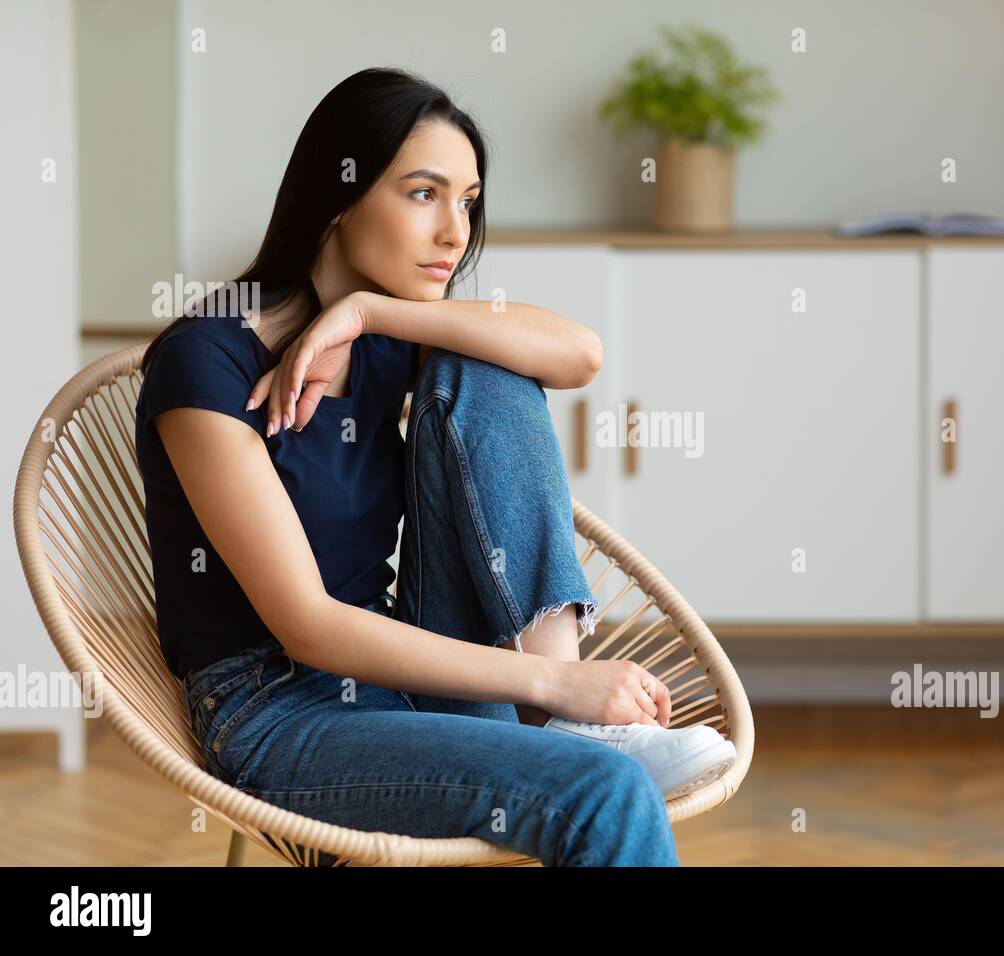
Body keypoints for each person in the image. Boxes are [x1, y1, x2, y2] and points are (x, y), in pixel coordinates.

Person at [135, 67, 733, 867]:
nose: (455, 232)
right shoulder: (203, 364)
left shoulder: (384, 339)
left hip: (397, 664)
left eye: (468, 201)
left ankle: (582, 723)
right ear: (338, 195)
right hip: (278, 709)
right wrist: (551, 685)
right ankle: (573, 713)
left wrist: (369, 311)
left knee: (485, 364)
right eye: (424, 194)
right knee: (605, 793)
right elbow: (306, 625)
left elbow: (578, 354)